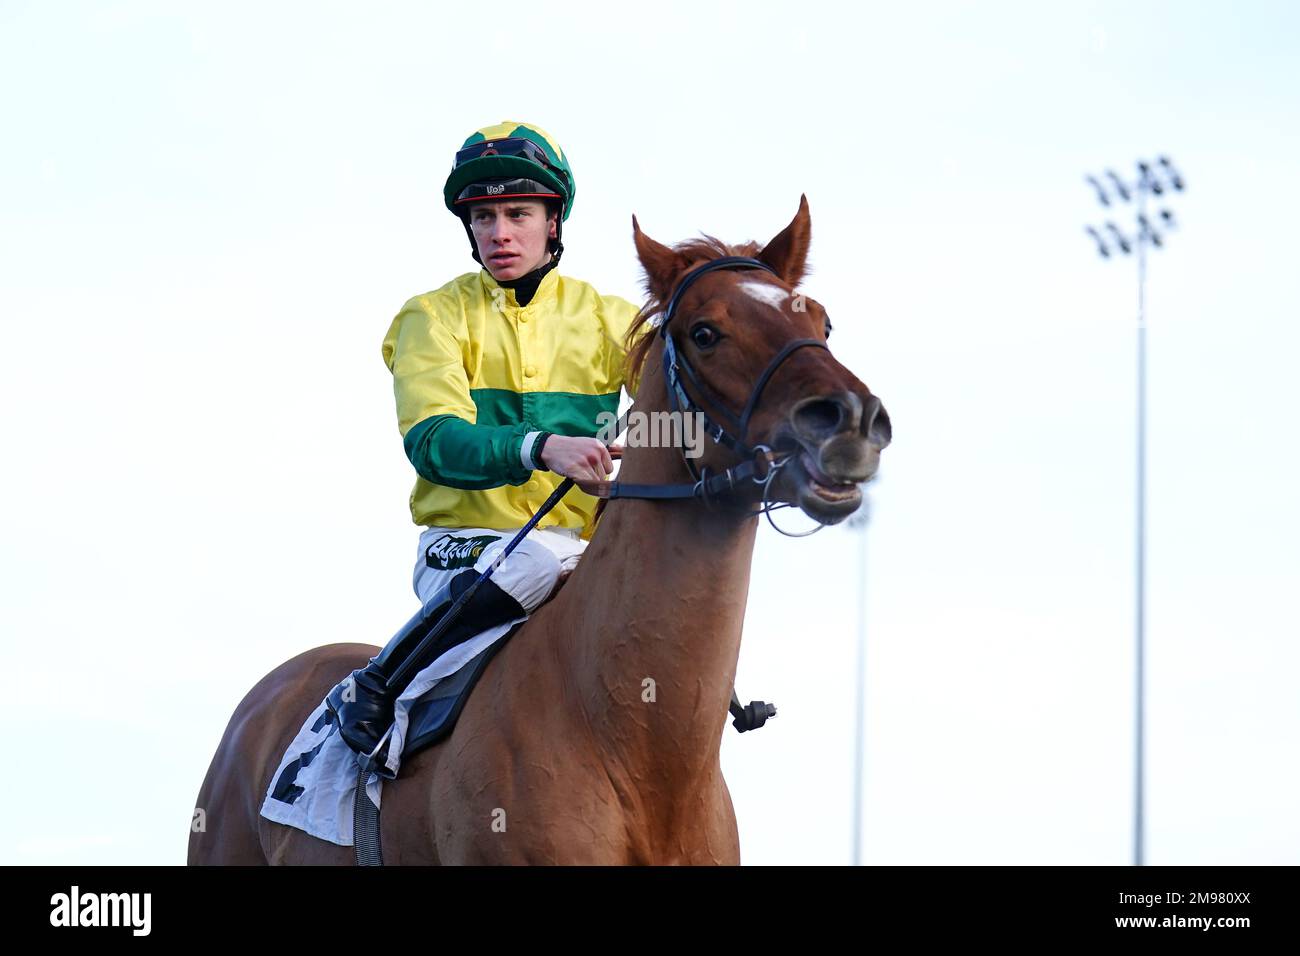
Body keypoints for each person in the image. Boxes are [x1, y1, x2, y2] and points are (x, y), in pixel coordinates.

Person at [328, 121, 644, 758]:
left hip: (581, 554)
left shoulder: (614, 322)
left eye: (518, 213)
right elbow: (435, 442)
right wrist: (542, 447)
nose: (500, 233)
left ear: (552, 221)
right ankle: (377, 683)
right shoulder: (432, 317)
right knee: (531, 559)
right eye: (485, 217)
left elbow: (681, 403)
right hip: (466, 546)